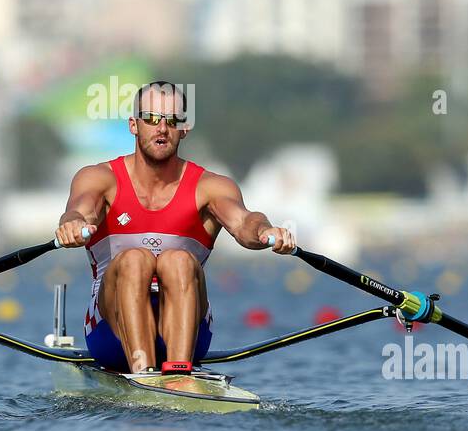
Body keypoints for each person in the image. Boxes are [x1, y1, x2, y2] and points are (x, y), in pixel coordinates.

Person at [55, 81, 296, 374]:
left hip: (189, 332)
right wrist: (72, 225)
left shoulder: (211, 186)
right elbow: (80, 211)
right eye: (152, 119)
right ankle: (144, 373)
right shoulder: (99, 178)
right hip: (111, 334)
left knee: (178, 260)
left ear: (185, 128)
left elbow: (245, 221)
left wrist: (265, 232)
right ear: (134, 125)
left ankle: (178, 373)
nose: (161, 128)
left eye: (171, 120)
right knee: (135, 258)